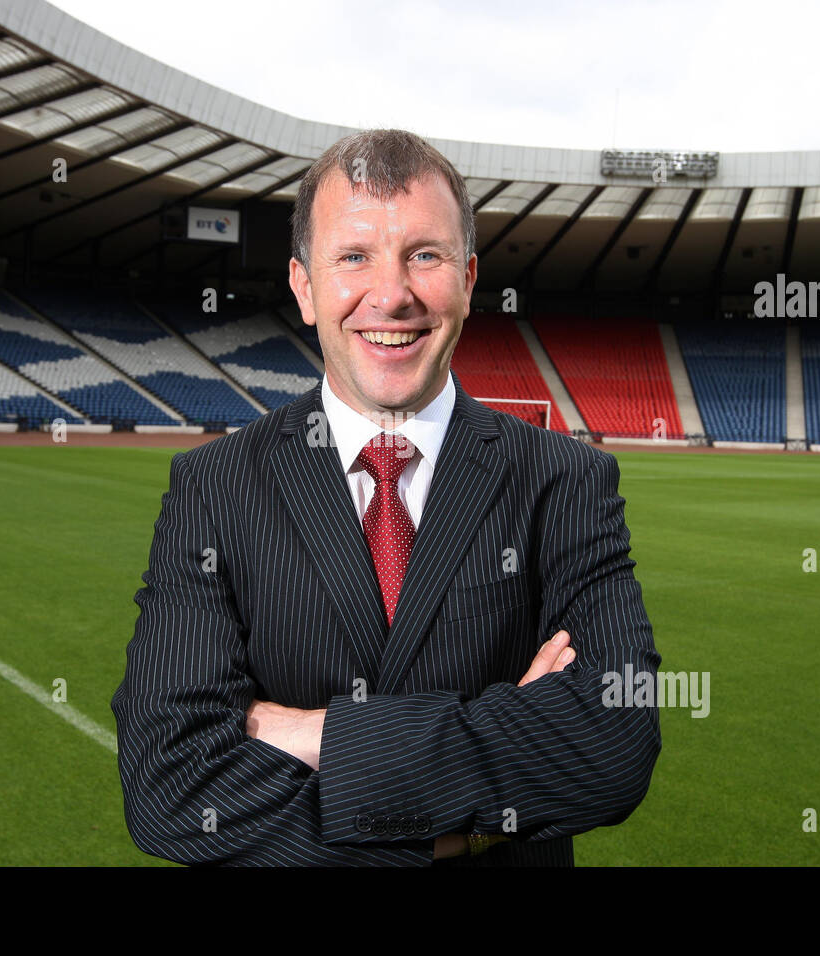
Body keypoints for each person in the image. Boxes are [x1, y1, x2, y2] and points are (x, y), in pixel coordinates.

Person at [111, 129, 661, 866]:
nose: (393, 294)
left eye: (423, 255)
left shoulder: (565, 480)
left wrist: (309, 734)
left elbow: (614, 738)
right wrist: (457, 832)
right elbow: (170, 786)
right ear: (305, 288)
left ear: (467, 279)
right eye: (353, 256)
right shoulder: (213, 487)